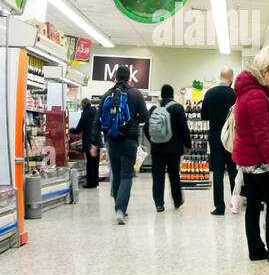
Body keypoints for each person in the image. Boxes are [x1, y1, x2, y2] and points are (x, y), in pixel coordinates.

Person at [231, 46, 269, 263]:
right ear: (264, 70)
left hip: (247, 160)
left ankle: (256, 250)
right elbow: (262, 135)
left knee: (254, 204)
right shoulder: (257, 96)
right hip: (258, 160)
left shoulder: (245, 92)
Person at [99, 66, 147, 224]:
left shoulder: (107, 94)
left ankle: (118, 208)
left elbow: (100, 118)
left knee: (117, 174)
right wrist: (132, 120)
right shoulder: (135, 93)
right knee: (127, 175)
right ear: (129, 78)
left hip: (112, 140)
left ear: (115, 77)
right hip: (130, 139)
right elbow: (144, 117)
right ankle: (120, 209)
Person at [148, 84, 192, 212]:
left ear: (161, 94)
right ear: (173, 94)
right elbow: (184, 129)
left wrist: (152, 141)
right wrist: (188, 145)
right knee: (174, 175)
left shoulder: (154, 108)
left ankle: (159, 203)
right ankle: (177, 201)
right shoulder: (177, 108)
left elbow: (147, 128)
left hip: (157, 149)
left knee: (157, 177)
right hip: (173, 149)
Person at [202, 67, 237, 216]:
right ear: (231, 78)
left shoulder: (210, 93)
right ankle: (235, 205)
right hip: (232, 138)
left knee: (217, 172)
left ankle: (219, 207)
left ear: (220, 76)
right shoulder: (235, 94)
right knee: (233, 171)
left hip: (216, 138)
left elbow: (204, 115)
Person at [71, 96, 101, 188]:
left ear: (83, 105)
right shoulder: (96, 113)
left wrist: (70, 130)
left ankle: (90, 183)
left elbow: (78, 129)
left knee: (90, 163)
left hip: (89, 142)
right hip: (97, 141)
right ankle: (95, 182)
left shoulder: (85, 114)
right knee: (95, 163)